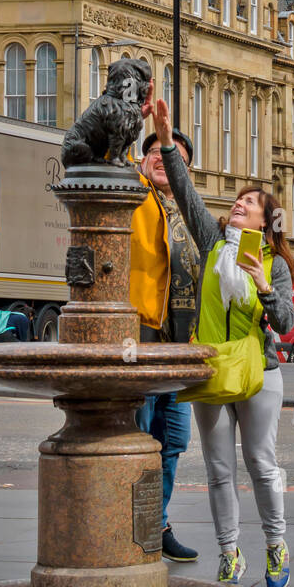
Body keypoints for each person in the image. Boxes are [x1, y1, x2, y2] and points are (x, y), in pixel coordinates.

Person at [150, 97, 294, 587]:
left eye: (251, 203)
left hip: (259, 373)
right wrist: (167, 139)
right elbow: (188, 192)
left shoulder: (273, 263)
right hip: (212, 367)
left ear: (265, 221)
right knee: (217, 469)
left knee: (260, 463)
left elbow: (286, 323)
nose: (240, 203)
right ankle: (230, 554)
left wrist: (265, 284)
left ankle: (276, 545)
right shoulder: (212, 241)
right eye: (238, 199)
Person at [130, 125, 200, 563]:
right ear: (141, 159)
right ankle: (129, 526)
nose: (161, 157)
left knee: (171, 440)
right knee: (138, 434)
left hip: (179, 345)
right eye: (154, 150)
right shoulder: (132, 196)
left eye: (172, 155)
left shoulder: (189, 214)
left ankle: (155, 523)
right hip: (140, 335)